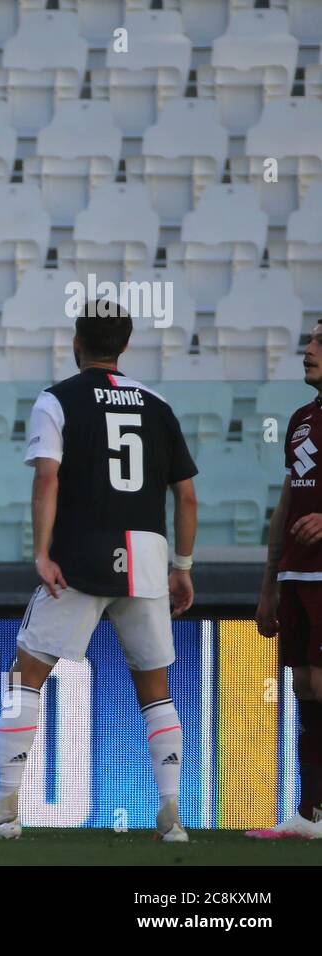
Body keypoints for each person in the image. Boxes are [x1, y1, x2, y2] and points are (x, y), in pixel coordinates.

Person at [0, 300, 198, 842]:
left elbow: (47, 477)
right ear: (125, 346)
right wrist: (181, 566)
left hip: (82, 555)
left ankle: (5, 811)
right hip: (146, 556)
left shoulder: (57, 399)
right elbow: (185, 496)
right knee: (155, 691)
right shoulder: (157, 404)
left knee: (27, 676)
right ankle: (173, 816)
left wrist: (42, 554)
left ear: (75, 342)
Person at [249, 321, 322, 840]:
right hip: (296, 573)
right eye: (310, 341)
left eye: (320, 342)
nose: (308, 350)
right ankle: (309, 813)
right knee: (305, 686)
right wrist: (269, 581)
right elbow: (287, 503)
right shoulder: (302, 419)